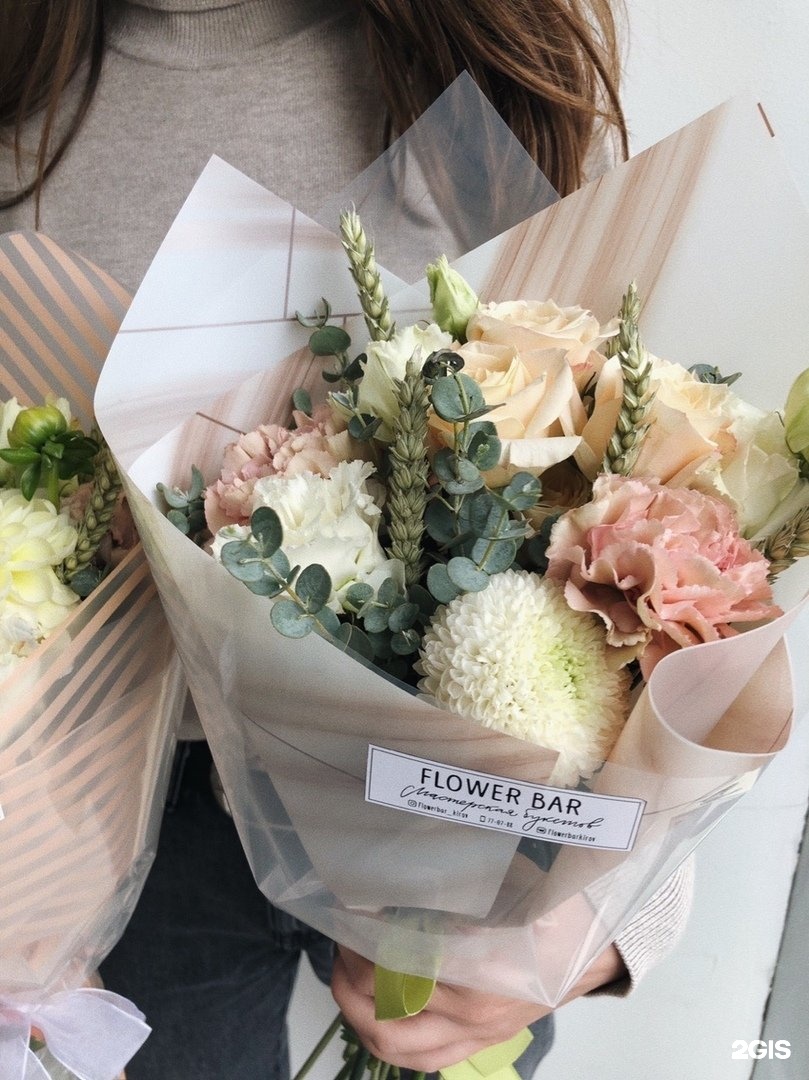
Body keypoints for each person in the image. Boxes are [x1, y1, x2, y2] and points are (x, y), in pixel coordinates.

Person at [0, 2, 692, 1077]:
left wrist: (608, 915)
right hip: (90, 837)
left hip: (460, 805)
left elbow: (646, 510)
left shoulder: (490, 59)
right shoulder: (20, 87)